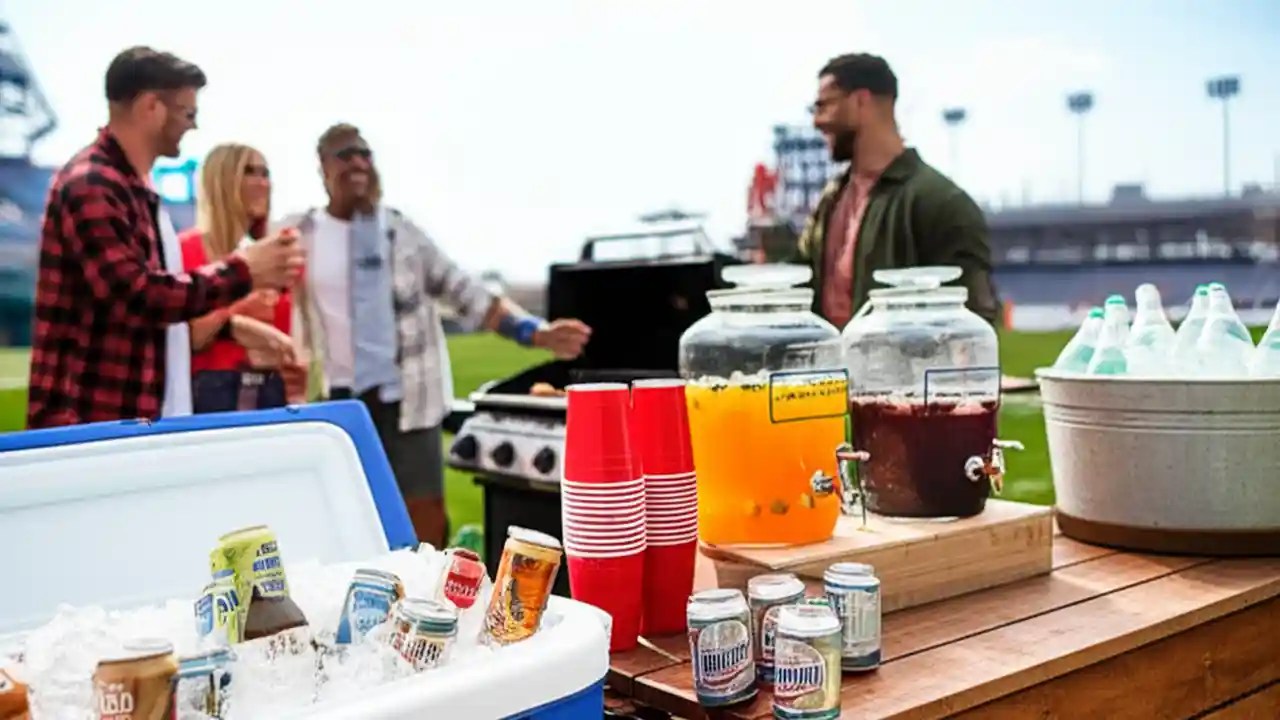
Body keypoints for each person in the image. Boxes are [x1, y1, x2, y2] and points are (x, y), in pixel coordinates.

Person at [283, 122, 592, 549]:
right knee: (346, 512)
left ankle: (425, 592)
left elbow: (467, 293)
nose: (357, 163)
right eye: (344, 154)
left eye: (364, 154)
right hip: (339, 398)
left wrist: (536, 333)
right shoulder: (301, 234)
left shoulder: (401, 233)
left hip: (409, 399)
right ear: (322, 167)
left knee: (423, 515)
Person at [26, 46, 302, 429]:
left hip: (125, 416)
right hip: (92, 420)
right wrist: (244, 272)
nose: (193, 126)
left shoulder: (132, 188)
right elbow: (139, 296)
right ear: (151, 108)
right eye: (187, 113)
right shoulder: (92, 184)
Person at [795, 53, 1000, 329]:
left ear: (860, 101)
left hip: (901, 372)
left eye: (824, 106)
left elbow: (972, 323)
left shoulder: (941, 202)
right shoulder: (831, 200)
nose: (817, 122)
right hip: (832, 374)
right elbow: (797, 279)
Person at [180, 143, 303, 413]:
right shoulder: (185, 250)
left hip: (272, 394)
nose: (262, 183)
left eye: (265, 173)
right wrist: (237, 317)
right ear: (222, 179)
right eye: (249, 172)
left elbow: (293, 341)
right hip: (208, 396)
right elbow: (184, 337)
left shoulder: (279, 253)